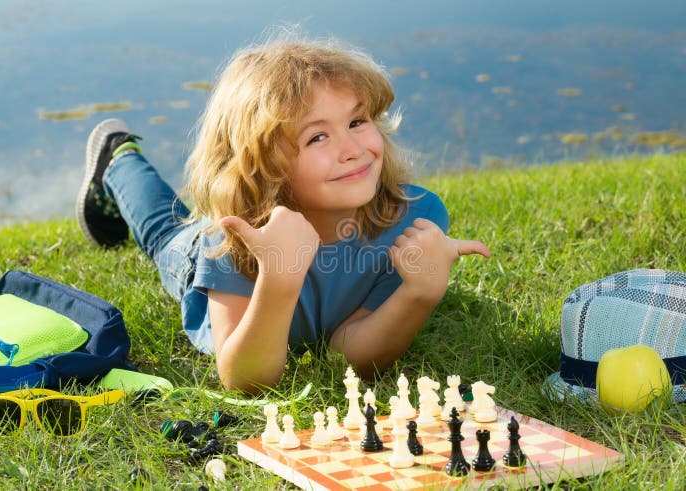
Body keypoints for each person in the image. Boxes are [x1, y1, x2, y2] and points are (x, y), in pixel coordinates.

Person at [75, 35, 490, 393]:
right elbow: (245, 378)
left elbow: (347, 352)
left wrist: (419, 294)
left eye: (358, 120)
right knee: (165, 231)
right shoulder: (236, 240)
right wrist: (277, 276)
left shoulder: (415, 220)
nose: (353, 149)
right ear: (265, 167)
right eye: (318, 137)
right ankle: (118, 156)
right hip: (205, 253)